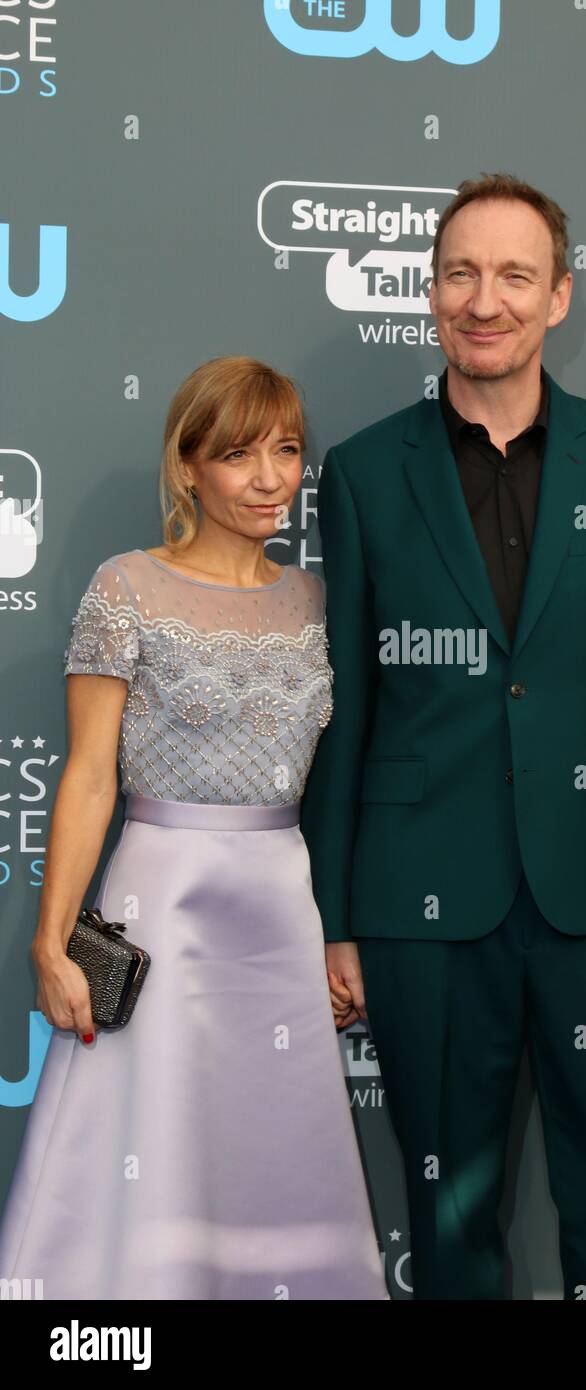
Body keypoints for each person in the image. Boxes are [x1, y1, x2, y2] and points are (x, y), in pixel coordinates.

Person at [300, 174, 586, 1300]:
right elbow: (347, 705)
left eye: (513, 275)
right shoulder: (360, 472)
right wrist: (335, 914)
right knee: (449, 1226)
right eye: (459, 273)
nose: (482, 300)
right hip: (418, 902)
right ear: (430, 290)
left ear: (558, 297)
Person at [0, 356, 388, 1301]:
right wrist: (53, 943)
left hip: (282, 907)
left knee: (272, 1136)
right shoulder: (126, 588)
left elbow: (343, 785)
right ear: (188, 468)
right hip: (161, 903)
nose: (269, 478)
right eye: (240, 454)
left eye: (288, 451)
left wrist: (342, 931)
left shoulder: (315, 603)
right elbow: (90, 777)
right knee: (146, 1129)